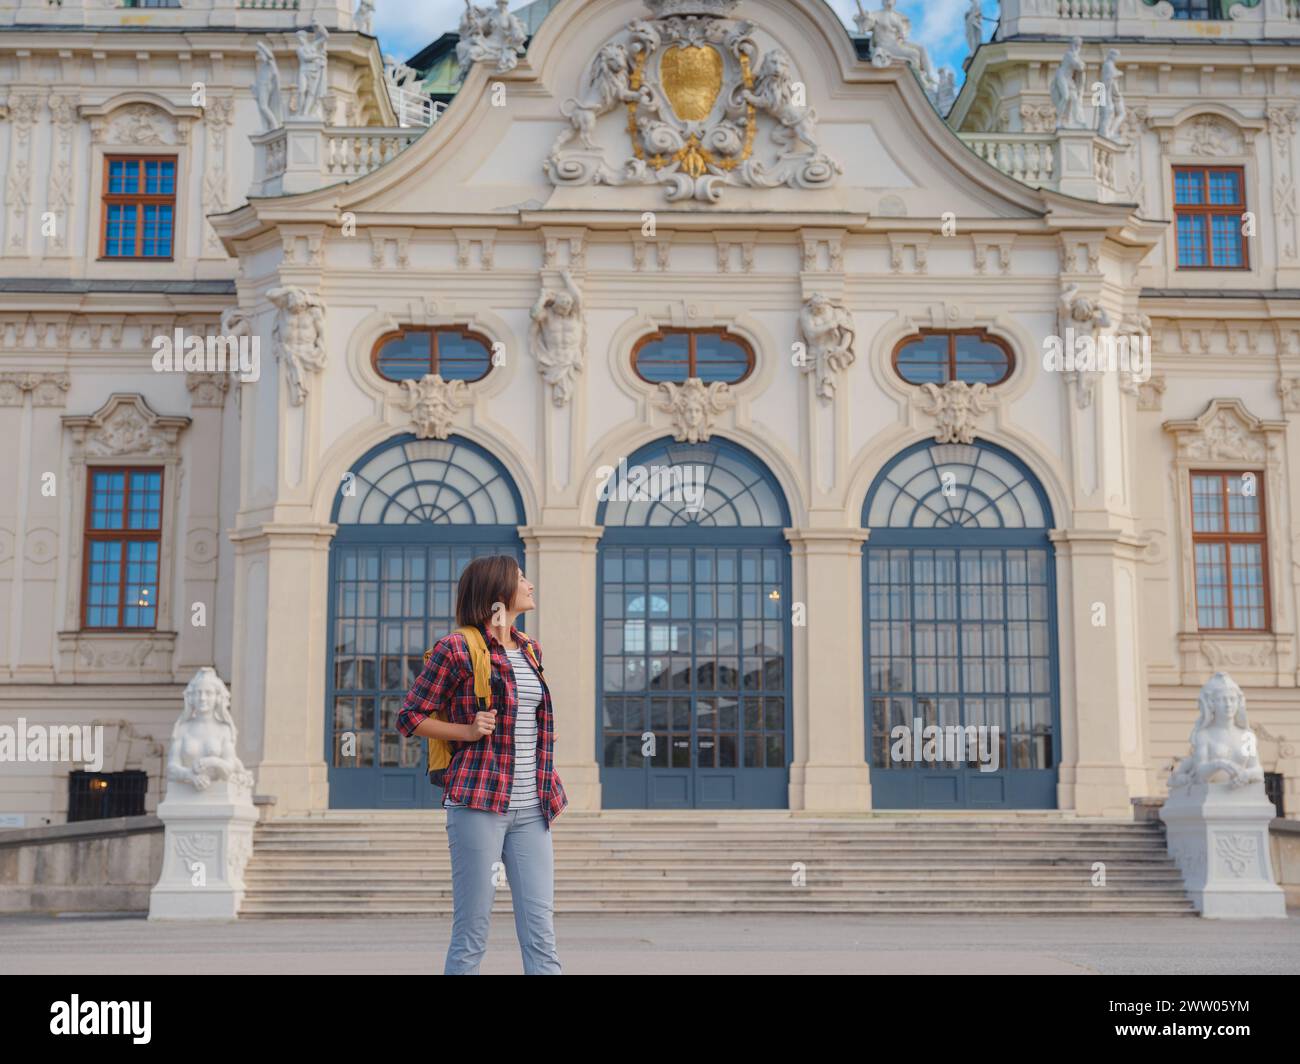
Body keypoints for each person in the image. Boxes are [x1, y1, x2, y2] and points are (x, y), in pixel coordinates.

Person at [397, 554, 568, 974]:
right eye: (521, 578)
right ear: (498, 594)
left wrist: (540, 733)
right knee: (472, 932)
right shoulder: (455, 649)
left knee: (541, 934)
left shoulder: (530, 648)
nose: (529, 584)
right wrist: (469, 731)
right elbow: (410, 717)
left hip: (534, 807)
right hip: (479, 804)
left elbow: (524, 713)